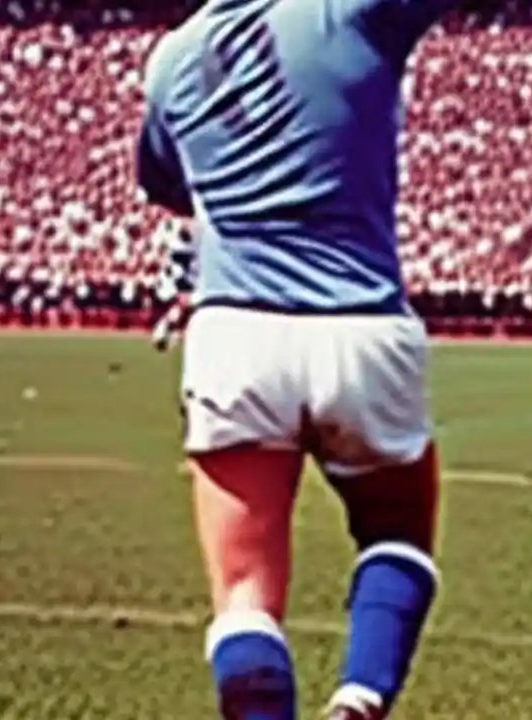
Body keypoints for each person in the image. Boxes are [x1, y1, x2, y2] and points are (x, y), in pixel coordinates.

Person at [136, 1, 456, 718]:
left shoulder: (170, 59)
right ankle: (359, 700)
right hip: (361, 326)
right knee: (397, 538)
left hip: (236, 331)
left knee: (245, 594)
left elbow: (165, 186)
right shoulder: (347, 15)